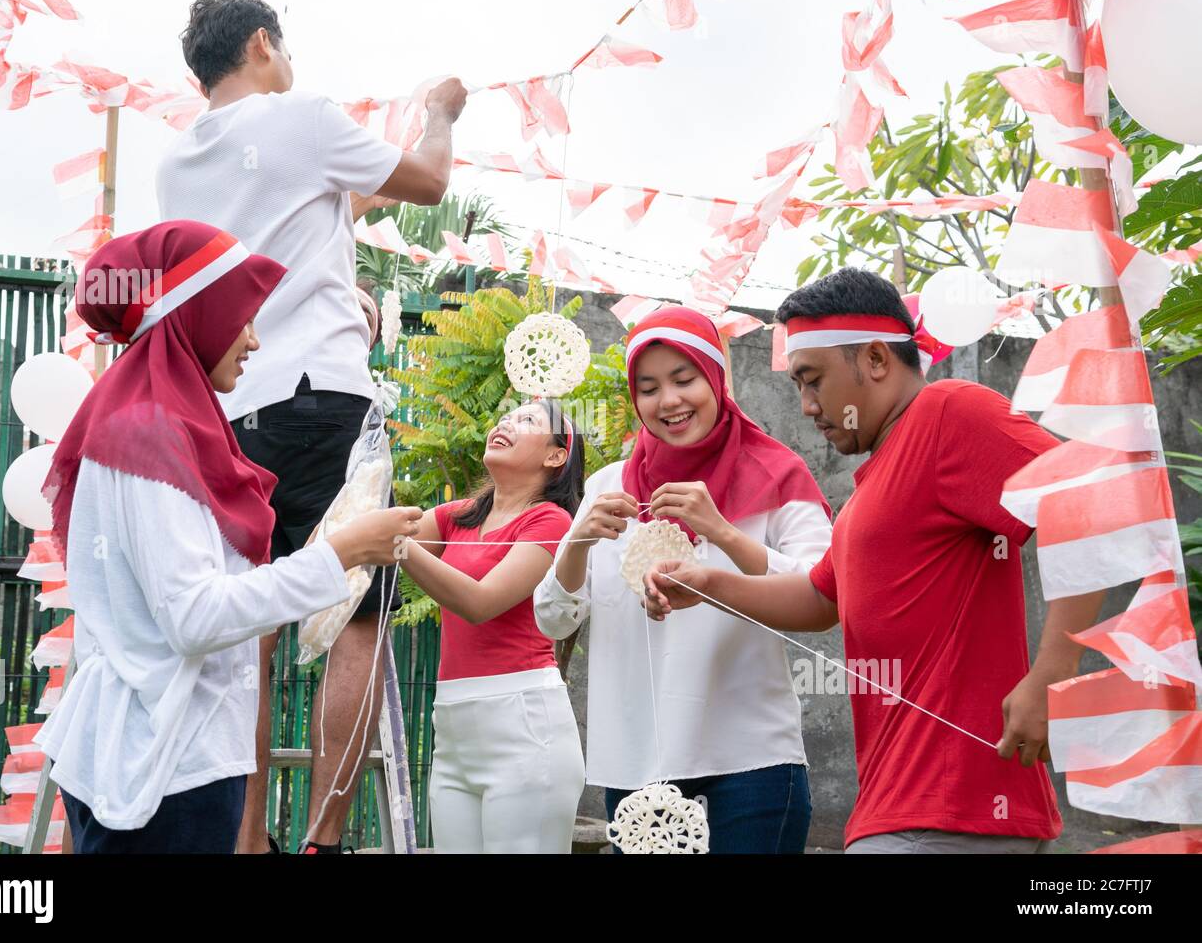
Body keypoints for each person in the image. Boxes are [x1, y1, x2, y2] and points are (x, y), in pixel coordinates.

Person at [645, 267, 1107, 854]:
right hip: (908, 811)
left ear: (875, 360)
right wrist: (707, 583)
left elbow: (1088, 495)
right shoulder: (871, 484)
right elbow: (819, 600)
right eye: (797, 388)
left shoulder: (946, 413)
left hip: (945, 813)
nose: (809, 406)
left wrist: (1053, 674)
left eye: (813, 381)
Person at [155, 0, 467, 853]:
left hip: (224, 414)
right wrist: (438, 114)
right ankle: (324, 839)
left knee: (246, 631)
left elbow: (309, 211)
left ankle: (248, 841)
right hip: (321, 395)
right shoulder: (302, 117)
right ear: (263, 42)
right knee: (356, 609)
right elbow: (429, 182)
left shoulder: (177, 167)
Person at [34, 221, 422, 853]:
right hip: (164, 774)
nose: (254, 340)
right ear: (195, 313)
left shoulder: (154, 422)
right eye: (240, 318)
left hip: (173, 755)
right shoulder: (150, 436)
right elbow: (196, 616)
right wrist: (341, 553)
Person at [534, 307, 833, 854]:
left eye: (684, 378)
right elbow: (554, 616)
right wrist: (576, 542)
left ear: (716, 377)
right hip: (637, 761)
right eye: (648, 387)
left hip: (752, 759)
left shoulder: (779, 472)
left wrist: (720, 530)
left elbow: (824, 590)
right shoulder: (609, 488)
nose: (668, 400)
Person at [398, 399, 586, 853]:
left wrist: (397, 544)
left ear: (556, 455)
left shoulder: (550, 521)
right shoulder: (457, 516)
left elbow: (481, 603)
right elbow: (375, 540)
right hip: (454, 729)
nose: (505, 422)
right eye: (506, 415)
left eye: (527, 421)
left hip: (522, 726)